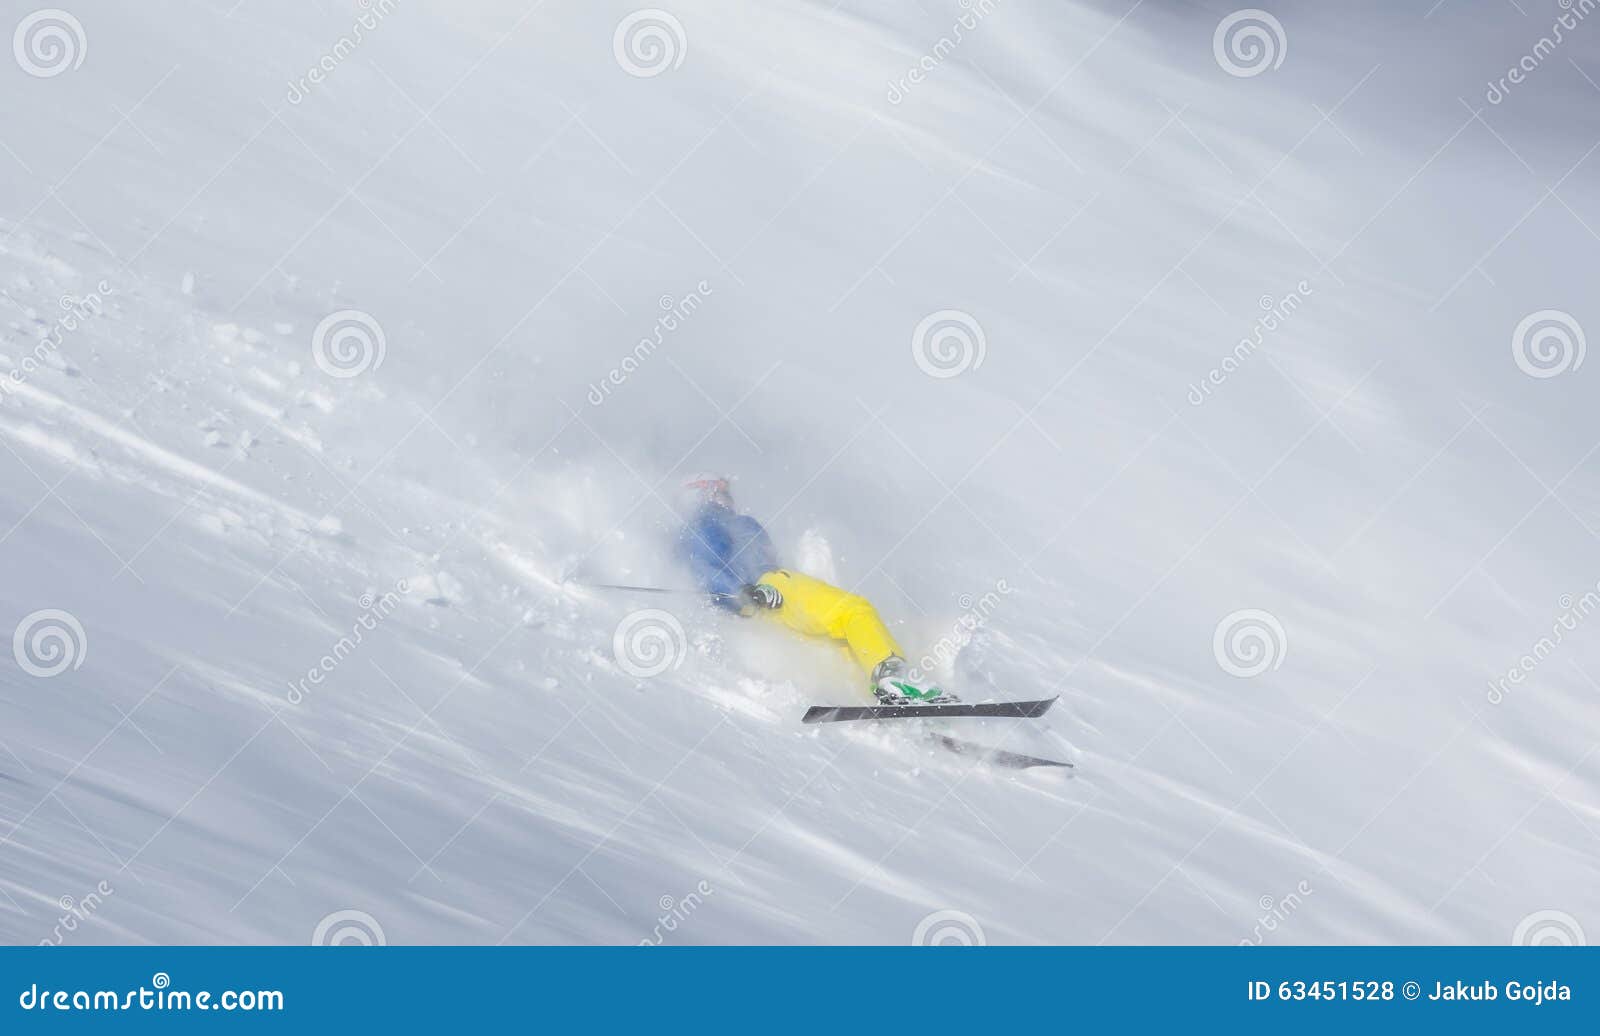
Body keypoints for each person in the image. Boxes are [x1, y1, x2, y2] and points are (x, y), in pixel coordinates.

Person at [675, 475, 948, 703]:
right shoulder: (708, 524)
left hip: (765, 601)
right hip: (772, 588)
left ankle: (883, 695)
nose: (727, 497)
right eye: (720, 490)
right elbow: (706, 569)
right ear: (702, 494)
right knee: (853, 611)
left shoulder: (717, 525)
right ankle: (894, 681)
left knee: (841, 642)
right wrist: (743, 592)